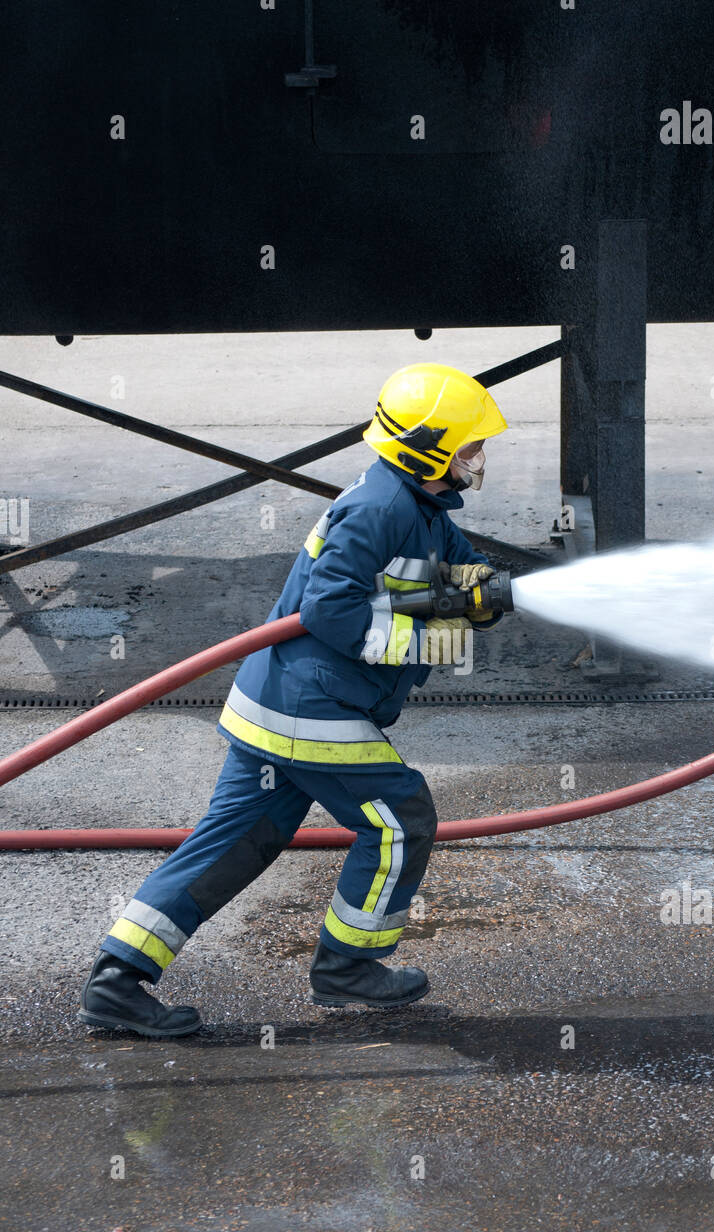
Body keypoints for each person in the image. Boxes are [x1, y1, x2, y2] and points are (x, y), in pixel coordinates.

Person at [79, 362, 507, 1037]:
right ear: (429, 449)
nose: (479, 459)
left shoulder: (419, 506)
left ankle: (117, 979)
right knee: (400, 818)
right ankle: (349, 965)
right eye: (470, 446)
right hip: (308, 705)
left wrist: (478, 590)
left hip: (278, 702)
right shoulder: (379, 508)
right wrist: (436, 631)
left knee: (235, 843)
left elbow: (452, 567)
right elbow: (331, 610)